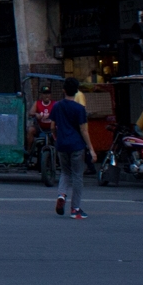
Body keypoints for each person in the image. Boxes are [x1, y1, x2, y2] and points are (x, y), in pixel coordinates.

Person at [50, 76, 96, 220]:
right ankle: (75, 209)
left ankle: (61, 194)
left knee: (65, 172)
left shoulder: (57, 106)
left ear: (63, 90)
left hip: (62, 144)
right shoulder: (79, 109)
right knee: (77, 176)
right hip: (76, 145)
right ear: (76, 92)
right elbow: (84, 130)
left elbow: (52, 126)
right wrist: (91, 149)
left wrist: (57, 137)